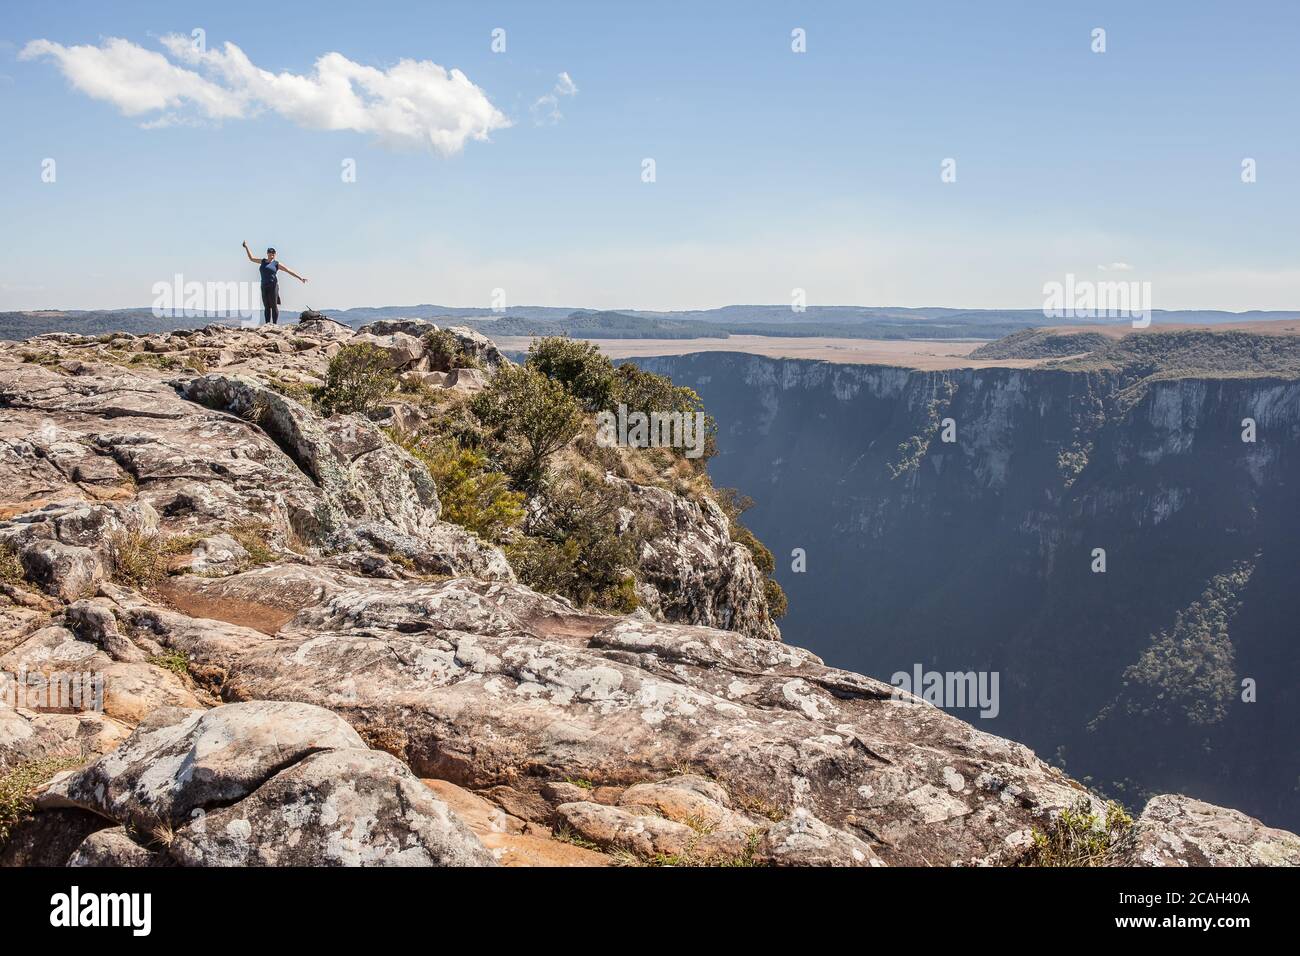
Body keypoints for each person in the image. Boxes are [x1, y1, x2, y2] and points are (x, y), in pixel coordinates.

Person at [242, 241, 307, 325]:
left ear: (275, 254)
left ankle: (275, 324)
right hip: (264, 286)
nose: (271, 254)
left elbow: (288, 270)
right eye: (270, 253)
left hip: (273, 286)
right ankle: (267, 324)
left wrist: (300, 278)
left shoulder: (276, 264)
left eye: (273, 253)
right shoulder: (263, 261)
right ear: (267, 253)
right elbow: (251, 258)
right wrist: (246, 247)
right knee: (266, 307)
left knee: (273, 305)